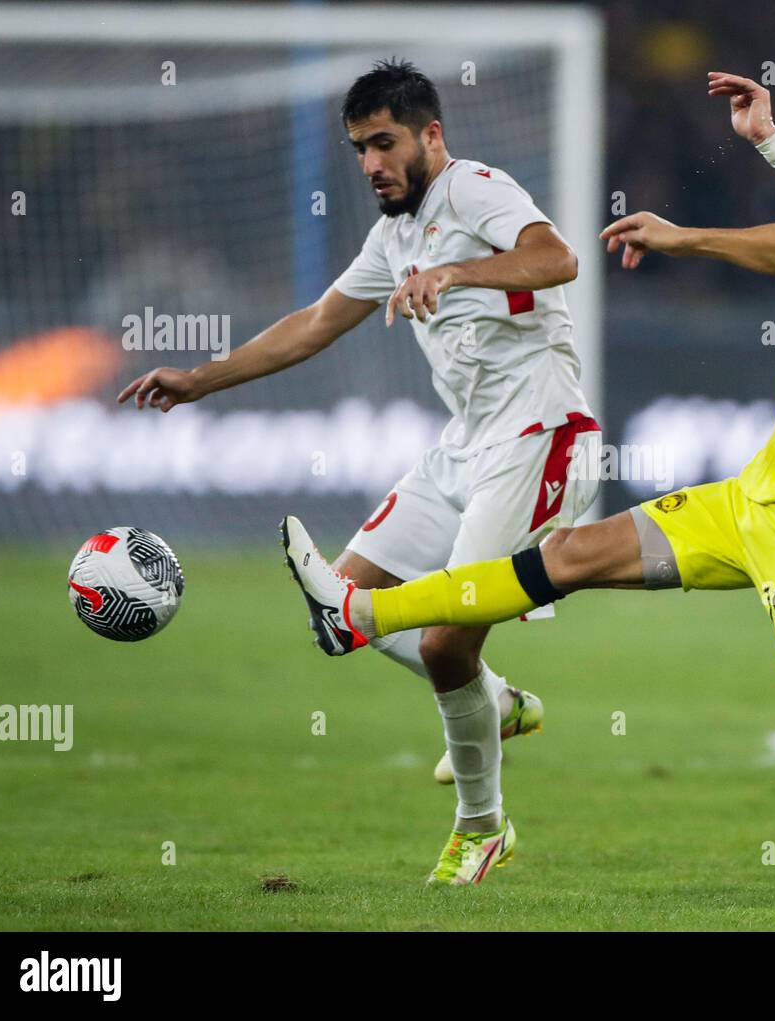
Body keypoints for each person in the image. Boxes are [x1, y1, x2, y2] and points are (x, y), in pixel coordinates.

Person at [283, 70, 775, 894]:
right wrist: (684, 237)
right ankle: (360, 612)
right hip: (750, 501)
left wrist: (771, 144)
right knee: (568, 553)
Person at [119, 60, 600, 885]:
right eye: (359, 149)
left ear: (430, 137)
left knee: (446, 641)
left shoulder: (477, 188)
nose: (372, 163)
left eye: (385, 143)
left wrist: (456, 271)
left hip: (541, 435)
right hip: (466, 444)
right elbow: (313, 325)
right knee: (344, 593)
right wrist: (200, 379)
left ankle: (482, 827)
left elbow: (557, 259)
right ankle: (500, 701)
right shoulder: (393, 236)